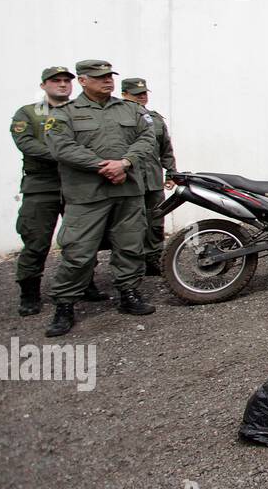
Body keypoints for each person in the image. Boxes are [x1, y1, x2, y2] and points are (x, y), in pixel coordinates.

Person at [44, 59, 158, 336]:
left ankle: (129, 293)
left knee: (130, 245)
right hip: (88, 195)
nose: (107, 80)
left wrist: (126, 163)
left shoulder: (130, 109)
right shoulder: (65, 114)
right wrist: (102, 166)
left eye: (109, 76)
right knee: (78, 251)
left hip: (127, 189)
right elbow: (61, 147)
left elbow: (147, 138)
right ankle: (65, 304)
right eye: (99, 77)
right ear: (82, 81)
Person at [10, 66, 106, 316]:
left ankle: (85, 284)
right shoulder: (29, 113)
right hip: (43, 186)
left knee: (83, 241)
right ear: (44, 85)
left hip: (77, 185)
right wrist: (66, 154)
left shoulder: (79, 112)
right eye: (56, 81)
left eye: (66, 81)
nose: (63, 85)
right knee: (36, 240)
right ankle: (29, 292)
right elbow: (26, 144)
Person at [120, 77, 178, 275]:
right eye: (137, 94)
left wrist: (171, 172)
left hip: (152, 179)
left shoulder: (154, 119)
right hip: (127, 181)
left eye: (144, 93)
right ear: (124, 95)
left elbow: (166, 149)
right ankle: (130, 266)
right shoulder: (118, 118)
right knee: (130, 225)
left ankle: (153, 259)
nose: (142, 97)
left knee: (155, 221)